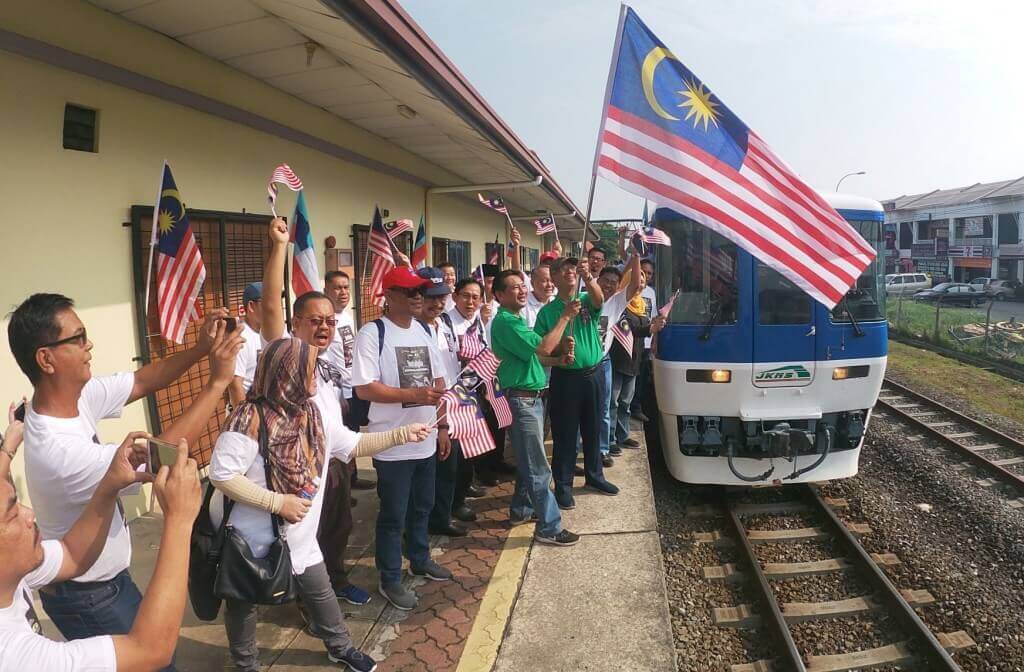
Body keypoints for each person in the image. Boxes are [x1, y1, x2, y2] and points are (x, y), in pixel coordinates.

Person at [7, 293, 241, 667]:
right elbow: (164, 454)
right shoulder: (60, 451)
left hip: (99, 581)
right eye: (78, 338)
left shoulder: (72, 399)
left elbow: (142, 380)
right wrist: (217, 383)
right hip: (90, 595)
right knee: (154, 659)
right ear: (46, 358)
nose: (89, 345)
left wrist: (200, 348)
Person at [210, 338, 429, 672]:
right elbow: (222, 475)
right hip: (251, 542)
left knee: (321, 592)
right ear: (289, 373)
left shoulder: (311, 412)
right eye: (311, 368)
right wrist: (276, 502)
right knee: (243, 605)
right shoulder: (247, 419)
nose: (318, 375)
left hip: (300, 536)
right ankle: (246, 664)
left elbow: (352, 444)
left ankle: (340, 646)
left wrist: (404, 434)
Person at [0, 433, 202, 672]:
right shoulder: (13, 656)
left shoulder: (12, 573)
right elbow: (149, 651)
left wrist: (110, 484)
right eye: (12, 514)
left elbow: (72, 555)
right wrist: (179, 519)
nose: (30, 514)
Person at [259, 218, 371, 606]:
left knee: (339, 525)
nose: (324, 326)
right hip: (296, 469)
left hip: (334, 460)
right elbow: (272, 303)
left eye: (330, 320)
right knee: (307, 535)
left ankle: (334, 582)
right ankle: (306, 600)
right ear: (295, 325)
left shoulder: (325, 365)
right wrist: (278, 248)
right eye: (314, 320)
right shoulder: (284, 353)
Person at [352, 266, 453, 611]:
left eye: (420, 292)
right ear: (390, 295)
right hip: (392, 442)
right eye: (410, 292)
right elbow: (364, 388)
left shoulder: (425, 331)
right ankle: (390, 577)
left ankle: (420, 557)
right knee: (394, 513)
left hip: (425, 438)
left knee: (423, 505)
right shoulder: (372, 333)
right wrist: (410, 394)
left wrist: (442, 426)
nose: (417, 298)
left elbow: (438, 382)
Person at [490, 269, 579, 545]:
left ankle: (521, 510)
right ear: (499, 295)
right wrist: (565, 317)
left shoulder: (515, 320)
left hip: (532, 398)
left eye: (522, 285)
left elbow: (535, 358)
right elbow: (543, 347)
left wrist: (559, 360)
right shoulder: (506, 322)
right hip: (522, 401)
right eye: (514, 287)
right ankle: (549, 528)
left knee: (529, 461)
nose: (522, 290)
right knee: (538, 467)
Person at [534, 257, 619, 511]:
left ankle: (595, 476)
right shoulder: (548, 312)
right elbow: (540, 351)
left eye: (574, 269)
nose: (570, 272)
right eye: (564, 270)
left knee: (593, 429)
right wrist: (560, 352)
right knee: (566, 434)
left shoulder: (584, 300)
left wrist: (590, 277)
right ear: (555, 277)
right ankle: (563, 485)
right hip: (566, 379)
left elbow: (599, 300)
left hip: (593, 374)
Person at [415, 267, 465, 537]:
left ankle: (441, 518)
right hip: (423, 411)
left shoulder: (444, 323)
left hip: (450, 405)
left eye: (441, 297)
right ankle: (418, 528)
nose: (437, 303)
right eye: (430, 297)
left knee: (448, 467)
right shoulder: (412, 329)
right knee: (424, 476)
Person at [324, 270, 374, 491]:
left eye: (346, 287)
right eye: (337, 287)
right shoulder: (325, 321)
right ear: (326, 290)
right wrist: (337, 394)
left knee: (353, 436)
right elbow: (324, 361)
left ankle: (351, 480)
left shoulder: (345, 316)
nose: (343, 292)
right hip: (339, 393)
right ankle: (341, 491)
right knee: (341, 441)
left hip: (353, 387)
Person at [445, 277, 490, 517]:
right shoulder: (446, 322)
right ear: (455, 297)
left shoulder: (477, 321)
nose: (470, 301)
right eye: (465, 295)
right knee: (456, 455)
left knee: (471, 449)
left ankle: (462, 493)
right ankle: (454, 503)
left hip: (473, 391)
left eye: (475, 297)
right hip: (453, 396)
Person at [608, 268, 666, 453]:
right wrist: (651, 328)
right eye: (635, 279)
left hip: (634, 360)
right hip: (618, 360)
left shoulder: (641, 304)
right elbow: (628, 329)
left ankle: (623, 435)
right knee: (612, 402)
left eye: (642, 280)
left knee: (625, 401)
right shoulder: (620, 303)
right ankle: (609, 440)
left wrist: (653, 327)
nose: (640, 283)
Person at [593, 248, 642, 463]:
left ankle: (603, 449)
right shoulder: (584, 297)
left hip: (602, 362)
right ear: (598, 279)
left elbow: (635, 285)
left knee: (605, 408)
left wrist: (637, 257)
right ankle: (577, 449)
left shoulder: (616, 302)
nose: (608, 285)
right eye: (605, 280)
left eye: (614, 282)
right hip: (581, 363)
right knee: (581, 411)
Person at [229, 282, 264, 407]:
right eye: (267, 302)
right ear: (251, 306)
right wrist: (246, 420)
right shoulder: (241, 337)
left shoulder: (272, 333)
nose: (274, 307)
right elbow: (235, 385)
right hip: (251, 412)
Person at [631, 259, 658, 422]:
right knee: (629, 377)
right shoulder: (629, 289)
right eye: (644, 272)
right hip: (632, 340)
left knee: (641, 377)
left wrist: (655, 340)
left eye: (649, 273)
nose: (646, 276)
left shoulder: (651, 293)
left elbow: (654, 317)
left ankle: (636, 407)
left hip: (647, 343)